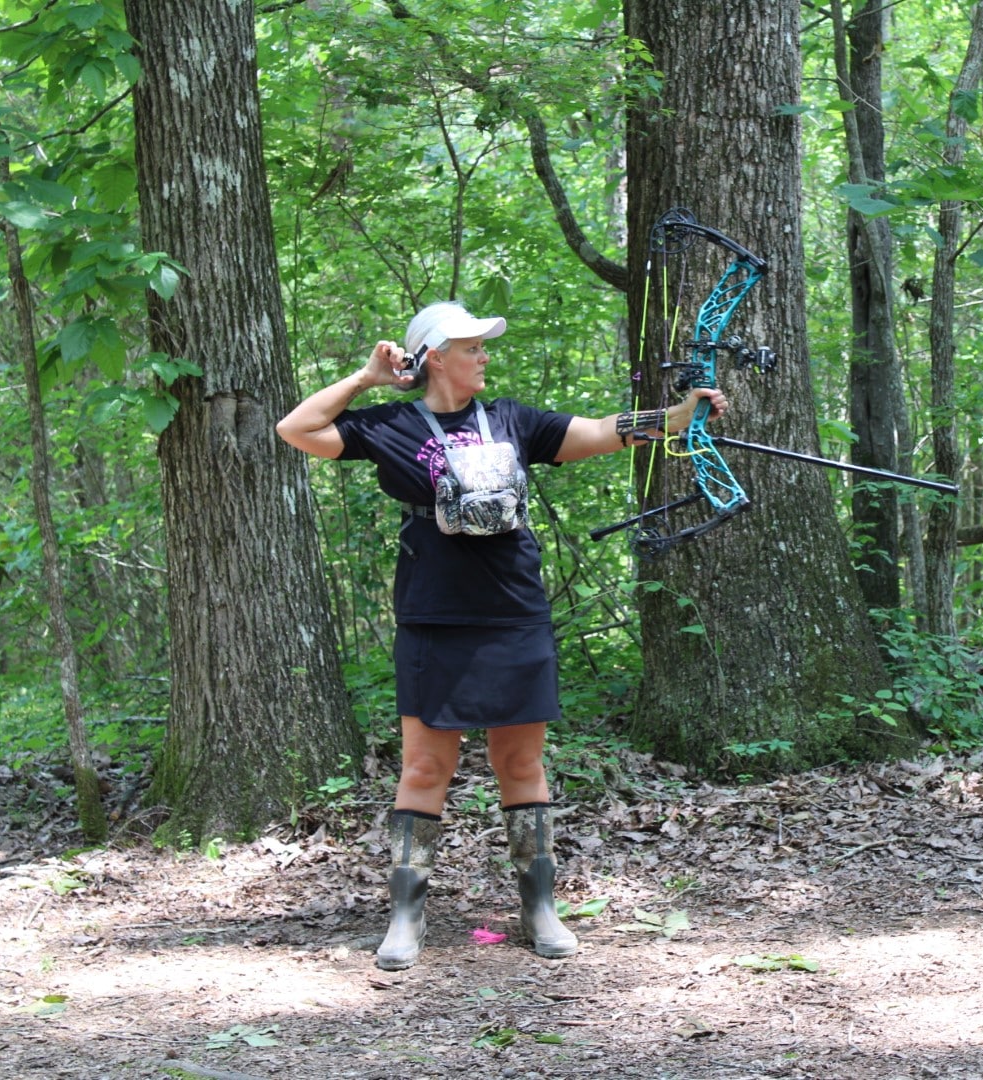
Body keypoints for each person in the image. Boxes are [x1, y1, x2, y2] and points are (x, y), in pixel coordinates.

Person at [276, 300, 728, 968]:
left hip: (515, 614)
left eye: (484, 346)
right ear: (435, 357)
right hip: (435, 618)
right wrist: (369, 379)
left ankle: (539, 907)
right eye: (472, 347)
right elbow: (297, 428)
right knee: (424, 768)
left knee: (520, 764)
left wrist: (678, 417)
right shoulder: (392, 425)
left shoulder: (513, 419)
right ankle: (406, 916)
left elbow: (599, 431)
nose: (485, 355)